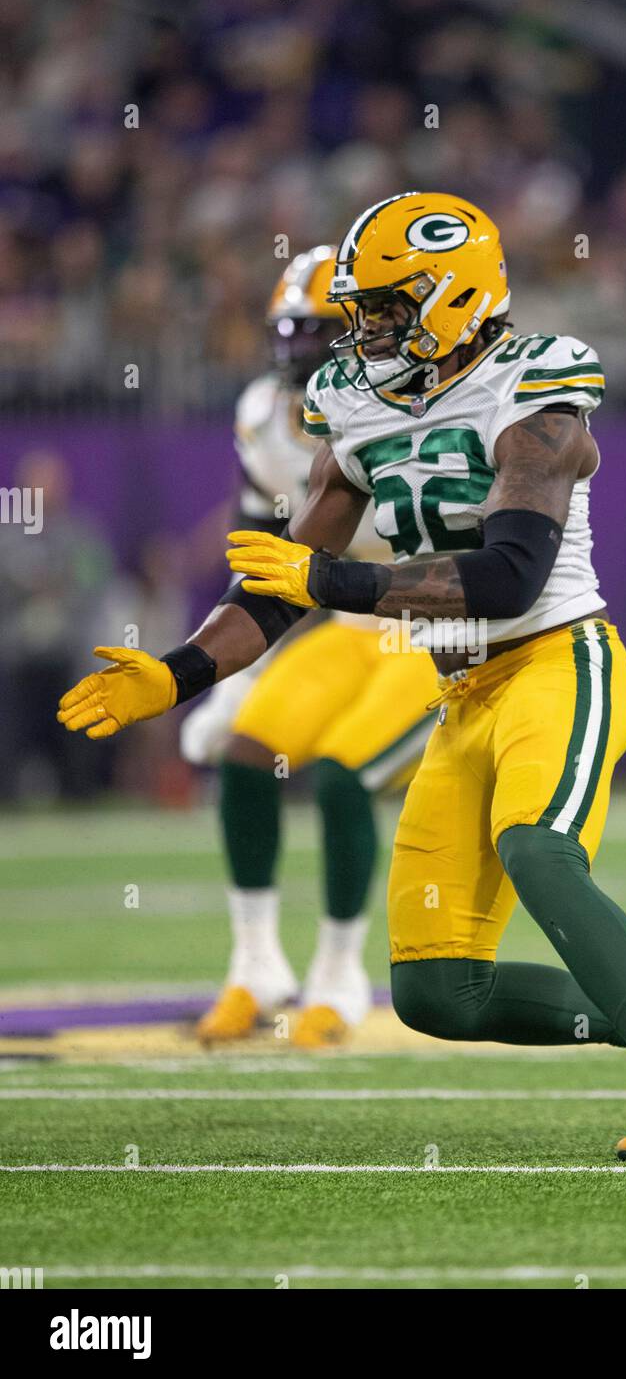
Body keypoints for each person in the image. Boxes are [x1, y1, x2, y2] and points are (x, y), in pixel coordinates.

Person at [59, 192, 626, 1160]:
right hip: (457, 692)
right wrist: (175, 676)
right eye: (363, 307)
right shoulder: (349, 401)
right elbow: (277, 584)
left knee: (538, 852)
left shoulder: (536, 384)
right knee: (438, 994)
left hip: (556, 658)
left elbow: (507, 572)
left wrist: (334, 579)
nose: (367, 326)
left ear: (452, 293)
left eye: (388, 305)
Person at [180, 246, 436, 1047]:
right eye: (288, 328)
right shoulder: (263, 411)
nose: (296, 347)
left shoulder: (417, 407)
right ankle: (256, 965)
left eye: (316, 330)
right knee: (248, 751)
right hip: (346, 627)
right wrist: (227, 674)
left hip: (429, 630)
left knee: (340, 775)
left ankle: (339, 975)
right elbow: (261, 544)